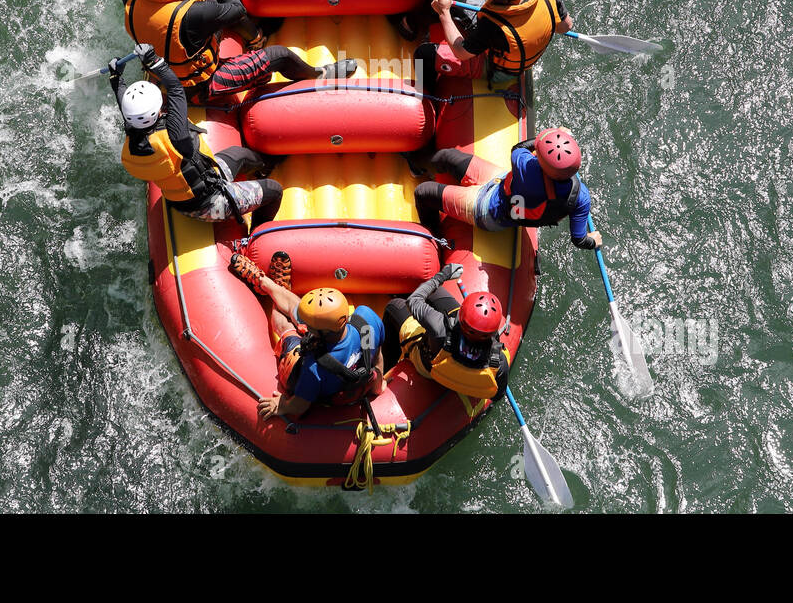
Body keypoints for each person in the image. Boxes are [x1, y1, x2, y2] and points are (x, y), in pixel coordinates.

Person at [120, 0, 356, 103]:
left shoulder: (131, 1)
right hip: (198, 87)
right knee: (280, 56)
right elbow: (236, 8)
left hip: (169, 69)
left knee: (215, 9)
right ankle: (319, 74)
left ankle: (255, 38)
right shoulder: (193, 13)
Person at [108, 44, 283, 226]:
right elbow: (176, 89)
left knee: (242, 155)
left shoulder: (133, 132)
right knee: (275, 190)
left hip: (193, 190)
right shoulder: (176, 136)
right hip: (210, 203)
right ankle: (256, 233)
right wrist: (154, 61)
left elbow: (125, 104)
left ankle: (271, 163)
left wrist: (116, 77)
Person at [227, 253, 386, 421]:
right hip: (351, 375)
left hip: (329, 390)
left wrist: (282, 406)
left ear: (320, 332)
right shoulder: (366, 318)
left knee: (286, 328)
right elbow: (377, 356)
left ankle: (278, 289)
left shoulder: (314, 367)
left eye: (310, 326)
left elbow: (299, 406)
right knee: (299, 310)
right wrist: (377, 385)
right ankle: (266, 283)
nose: (306, 326)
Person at [414, 128, 602, 250]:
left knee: (423, 192)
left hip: (486, 209)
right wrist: (593, 241)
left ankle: (432, 235)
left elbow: (520, 147)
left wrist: (555, 133)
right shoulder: (581, 197)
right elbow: (579, 239)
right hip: (501, 190)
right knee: (449, 157)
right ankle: (423, 168)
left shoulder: (525, 165)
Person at [412, 0, 573, 92]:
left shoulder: (492, 25)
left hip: (499, 70)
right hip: (514, 46)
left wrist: (444, 12)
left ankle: (426, 93)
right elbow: (565, 26)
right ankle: (412, 21)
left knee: (424, 53)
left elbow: (461, 52)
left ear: (500, 1)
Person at [382, 264, 510, 400]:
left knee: (394, 305)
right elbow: (497, 395)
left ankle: (385, 368)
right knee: (434, 295)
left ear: (461, 319)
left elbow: (413, 300)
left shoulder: (439, 328)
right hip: (451, 366)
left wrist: (442, 276)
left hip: (428, 369)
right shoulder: (499, 360)